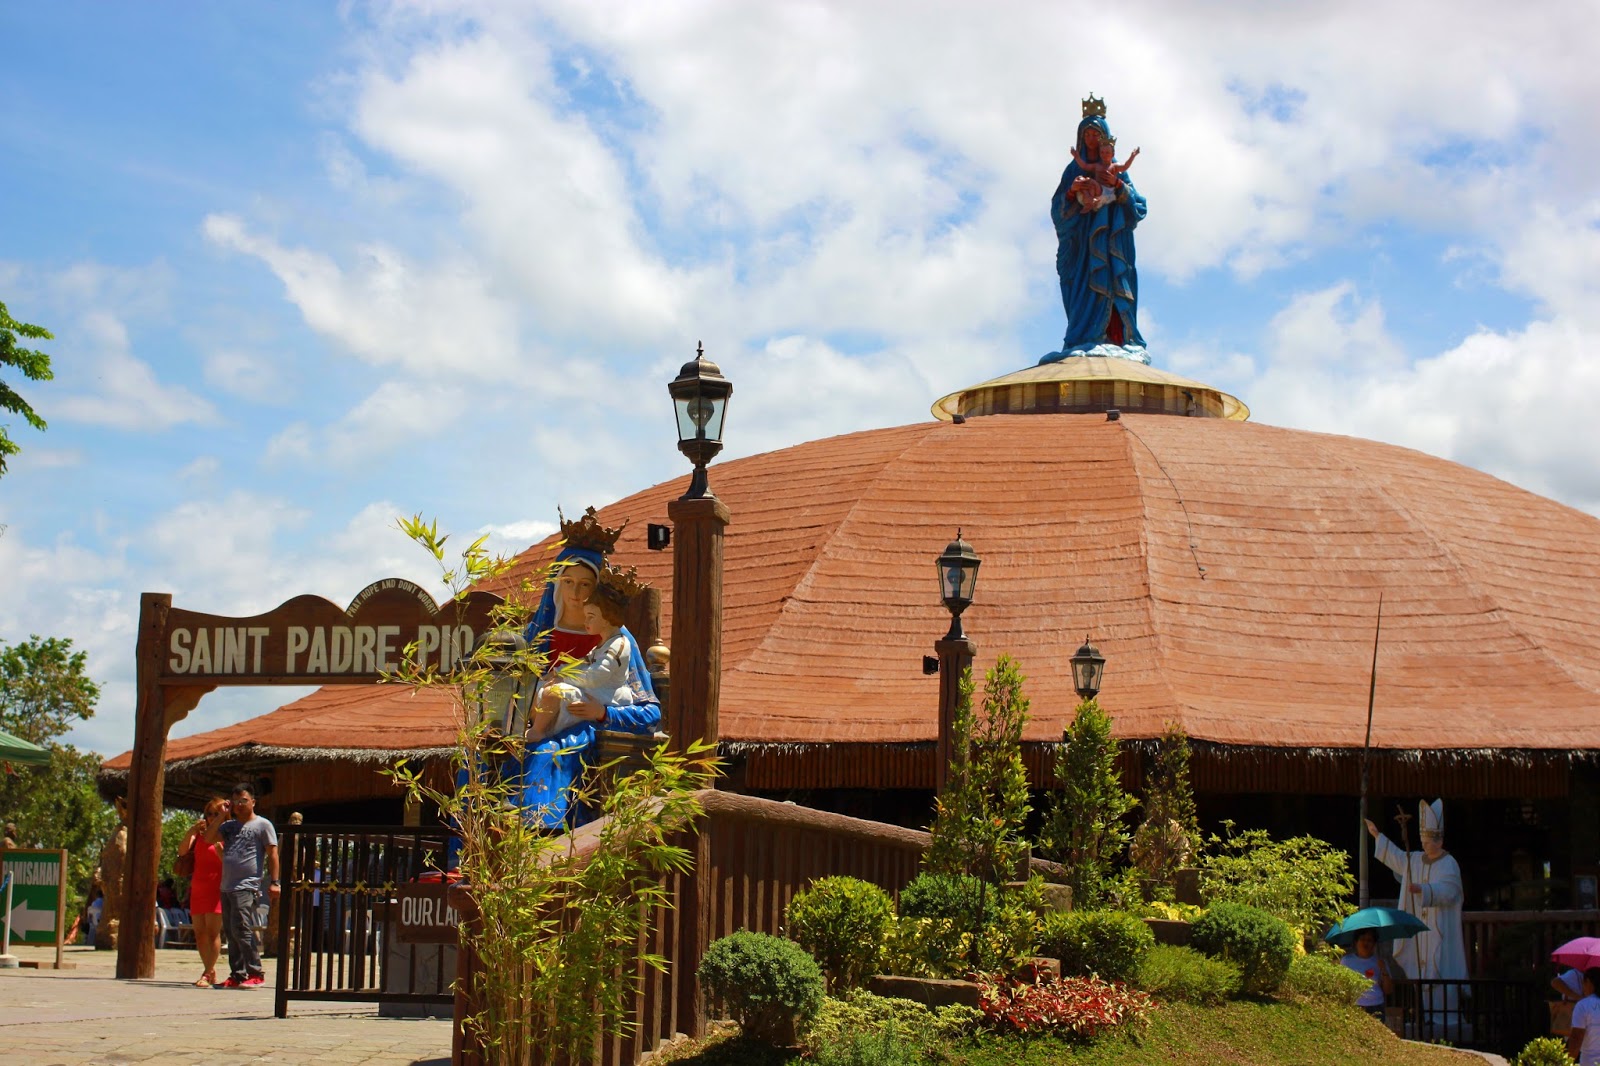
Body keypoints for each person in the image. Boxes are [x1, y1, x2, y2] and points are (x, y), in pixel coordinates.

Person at [512, 564, 661, 829]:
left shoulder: (620, 640)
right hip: (549, 715)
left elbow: (650, 714)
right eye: (568, 582)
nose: (577, 595)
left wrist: (603, 714)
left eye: (586, 585)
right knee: (488, 754)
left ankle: (544, 829)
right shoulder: (539, 637)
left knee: (546, 751)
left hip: (589, 727)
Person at [1043, 94, 1148, 364]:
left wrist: (1119, 188)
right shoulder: (1074, 169)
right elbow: (1058, 211)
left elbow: (1138, 206)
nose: (1091, 139)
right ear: (1081, 138)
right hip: (1083, 249)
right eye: (1087, 134)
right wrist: (1072, 193)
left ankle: (1117, 339)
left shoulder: (1115, 168)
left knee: (1112, 284)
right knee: (1085, 289)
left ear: (1105, 138)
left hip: (1112, 245)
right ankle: (1084, 337)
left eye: (1095, 134)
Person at [1367, 799, 1467, 1034]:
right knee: (1420, 971)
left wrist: (1425, 890)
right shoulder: (1416, 859)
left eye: (1428, 840)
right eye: (1422, 840)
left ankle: (1446, 1019)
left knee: (1439, 968)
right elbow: (1399, 858)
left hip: (1439, 928)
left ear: (1439, 840)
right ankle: (1425, 1016)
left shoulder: (1449, 864)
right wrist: (1377, 836)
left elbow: (1451, 891)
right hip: (1421, 928)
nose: (1424, 844)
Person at [529, 576, 646, 741]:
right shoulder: (602, 643)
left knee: (554, 692)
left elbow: (595, 676)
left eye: (591, 616)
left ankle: (538, 732)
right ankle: (537, 726)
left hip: (607, 694)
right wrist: (556, 673)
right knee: (540, 685)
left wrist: (564, 678)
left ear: (606, 618)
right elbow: (582, 664)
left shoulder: (619, 644)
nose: (586, 621)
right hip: (593, 688)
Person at [206, 784, 279, 989]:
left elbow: (273, 854)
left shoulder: (262, 825)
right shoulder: (228, 826)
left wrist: (274, 882)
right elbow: (208, 838)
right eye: (235, 801)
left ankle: (255, 971)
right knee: (230, 931)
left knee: (242, 928)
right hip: (226, 885)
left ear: (253, 802)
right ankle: (237, 974)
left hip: (246, 885)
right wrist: (222, 815)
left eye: (243, 801)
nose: (239, 805)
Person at [180, 797, 227, 987]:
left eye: (217, 814)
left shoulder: (228, 834)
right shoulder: (199, 834)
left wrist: (221, 853)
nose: (212, 817)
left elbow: (233, 865)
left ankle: (207, 973)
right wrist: (190, 831)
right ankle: (210, 969)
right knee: (199, 933)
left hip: (217, 887)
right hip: (198, 886)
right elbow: (182, 852)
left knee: (212, 932)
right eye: (210, 813)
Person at [1339, 930, 1394, 1019]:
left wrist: (1383, 969)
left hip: (1376, 1005)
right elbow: (1341, 985)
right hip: (1354, 1005)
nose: (1366, 943)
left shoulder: (1380, 962)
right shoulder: (1346, 961)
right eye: (1362, 939)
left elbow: (1388, 990)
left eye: (1369, 940)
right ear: (1356, 942)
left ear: (1374, 944)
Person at [1569, 968, 1600, 1065]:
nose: (1583, 988)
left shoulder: (1583, 1005)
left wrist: (1567, 1062)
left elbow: (1576, 1038)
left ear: (1589, 982)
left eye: (1583, 983)